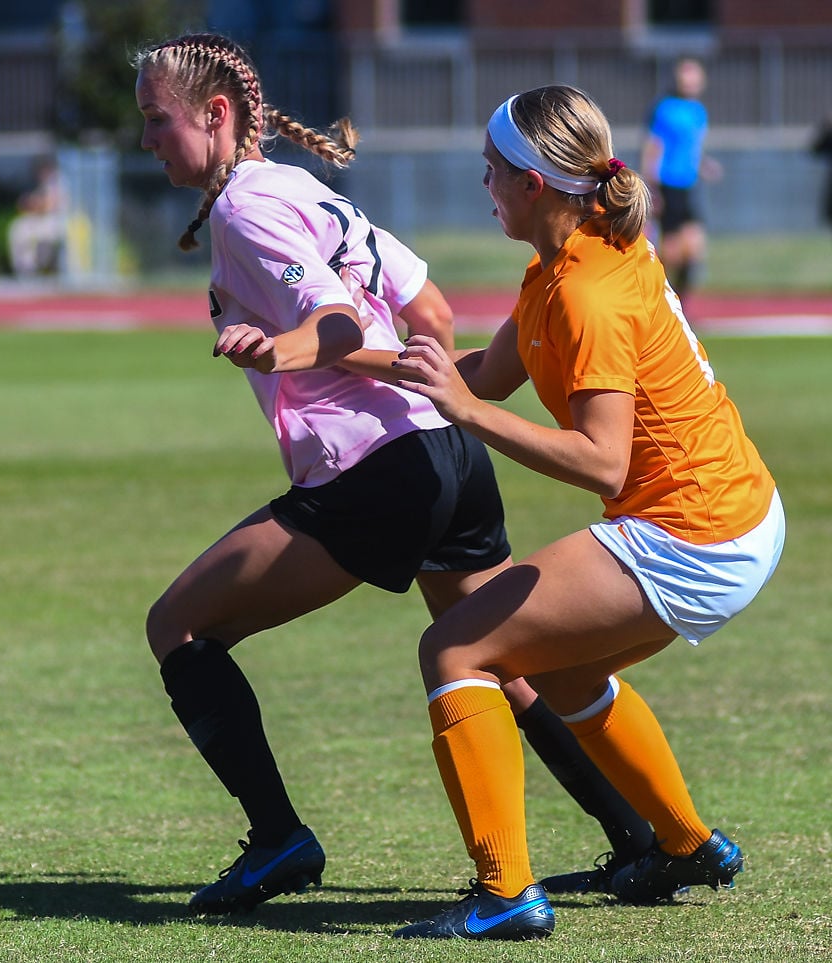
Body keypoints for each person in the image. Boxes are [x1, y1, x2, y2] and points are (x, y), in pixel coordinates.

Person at [132, 33, 659, 916]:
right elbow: (434, 314)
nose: (146, 138)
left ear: (215, 115)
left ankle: (278, 839)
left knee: (177, 625)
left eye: (157, 119)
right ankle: (636, 833)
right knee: (505, 659)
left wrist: (279, 350)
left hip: (372, 471)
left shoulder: (246, 211)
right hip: (449, 452)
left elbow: (336, 325)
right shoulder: (305, 189)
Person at [390, 84, 784, 941]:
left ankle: (505, 894)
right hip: (729, 510)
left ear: (533, 184)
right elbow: (484, 376)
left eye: (491, 170)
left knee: (455, 648)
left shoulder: (585, 292)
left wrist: (464, 414)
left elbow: (599, 457)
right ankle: (687, 845)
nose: (483, 183)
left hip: (696, 528)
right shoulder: (568, 261)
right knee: (564, 674)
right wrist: (349, 363)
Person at [641, 56, 722, 300]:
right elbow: (653, 147)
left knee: (695, 248)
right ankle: (656, 297)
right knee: (672, 251)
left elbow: (691, 148)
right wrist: (652, 188)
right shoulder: (665, 108)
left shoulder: (698, 111)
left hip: (689, 186)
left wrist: (704, 164)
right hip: (668, 184)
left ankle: (679, 303)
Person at [8, 155, 65, 277]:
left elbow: (50, 204)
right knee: (19, 227)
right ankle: (25, 268)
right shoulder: (46, 183)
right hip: (44, 220)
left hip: (58, 221)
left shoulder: (57, 180)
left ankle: (34, 268)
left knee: (33, 233)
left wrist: (33, 203)